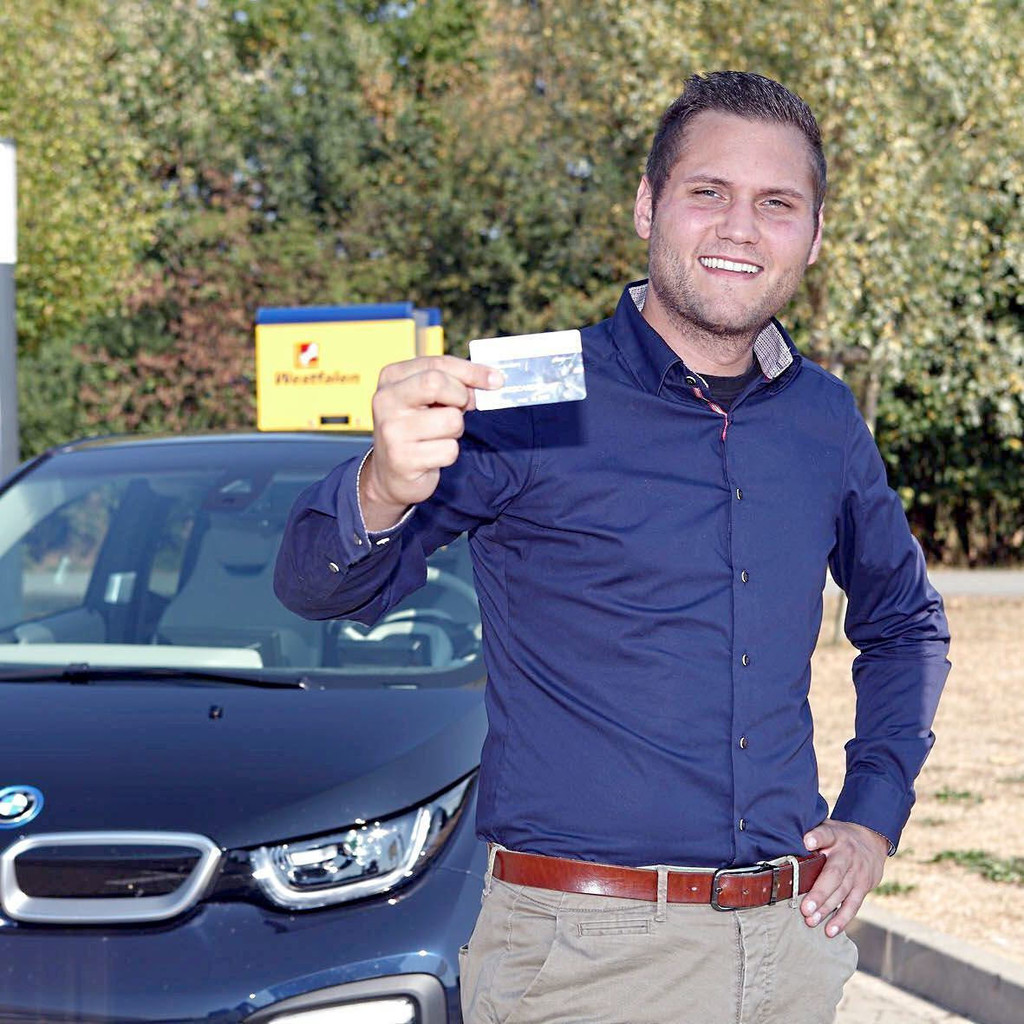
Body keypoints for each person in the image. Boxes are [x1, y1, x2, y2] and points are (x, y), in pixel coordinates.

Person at [274, 71, 950, 1024]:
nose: (738, 229)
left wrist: (876, 814)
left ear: (814, 234)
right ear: (646, 206)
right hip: (583, 965)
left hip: (789, 954)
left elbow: (907, 625)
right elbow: (320, 588)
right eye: (706, 193)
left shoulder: (824, 417)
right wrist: (380, 485)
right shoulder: (530, 387)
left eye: (777, 205)